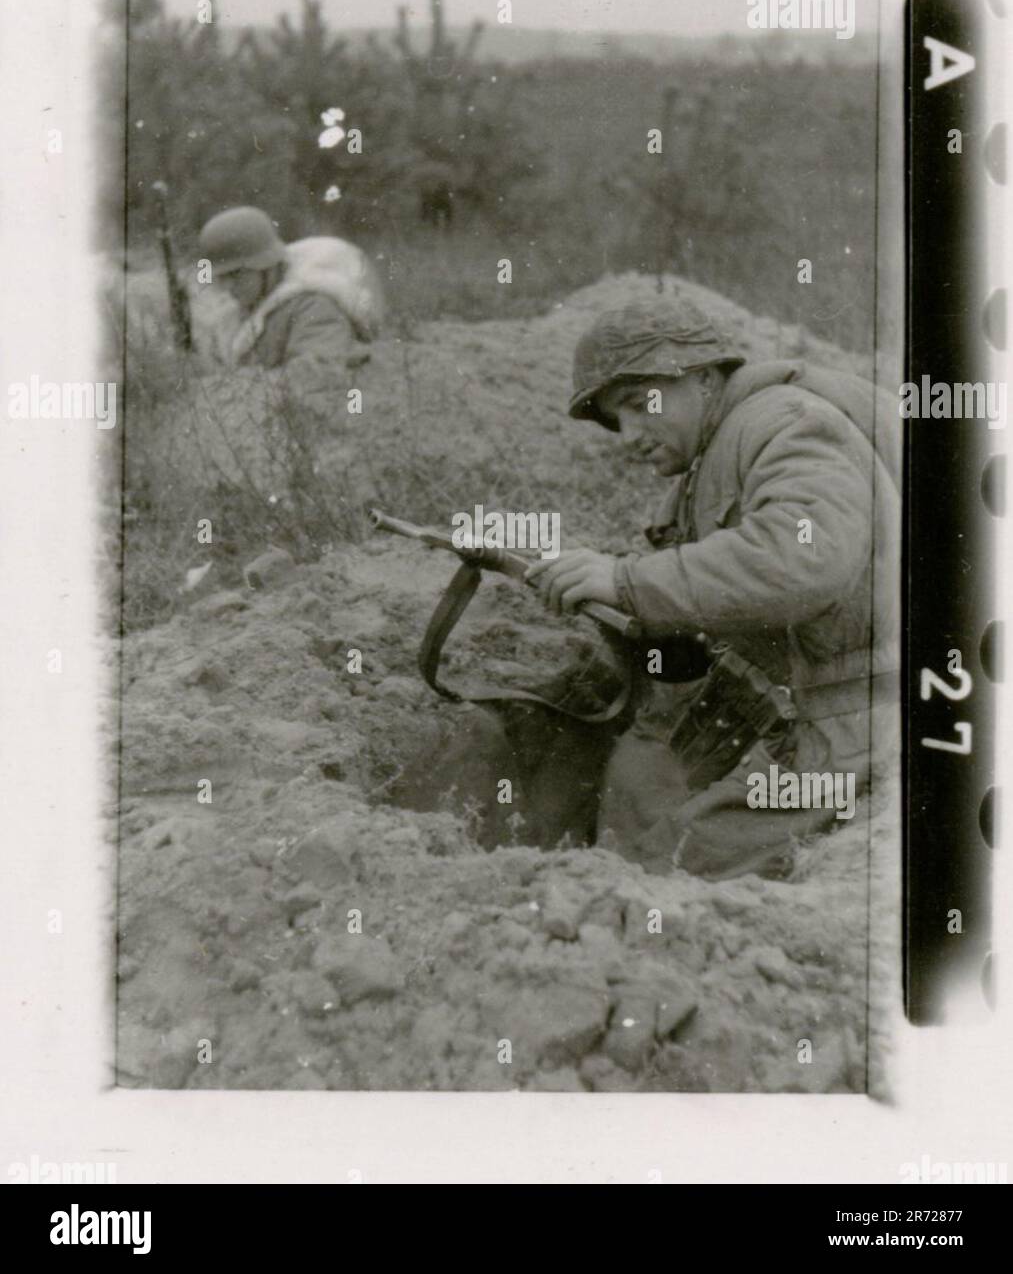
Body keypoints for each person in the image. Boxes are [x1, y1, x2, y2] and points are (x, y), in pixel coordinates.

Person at [403, 295, 900, 882]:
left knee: (670, 875)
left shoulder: (782, 423)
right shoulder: (719, 449)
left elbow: (806, 557)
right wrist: (597, 589)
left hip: (851, 724)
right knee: (630, 801)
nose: (629, 435)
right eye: (620, 417)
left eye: (643, 404)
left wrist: (627, 580)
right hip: (781, 703)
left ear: (708, 377)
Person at [197, 205, 385, 369]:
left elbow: (316, 373)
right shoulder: (248, 306)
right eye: (222, 277)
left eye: (237, 274)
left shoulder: (314, 306)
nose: (228, 286)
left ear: (267, 265)